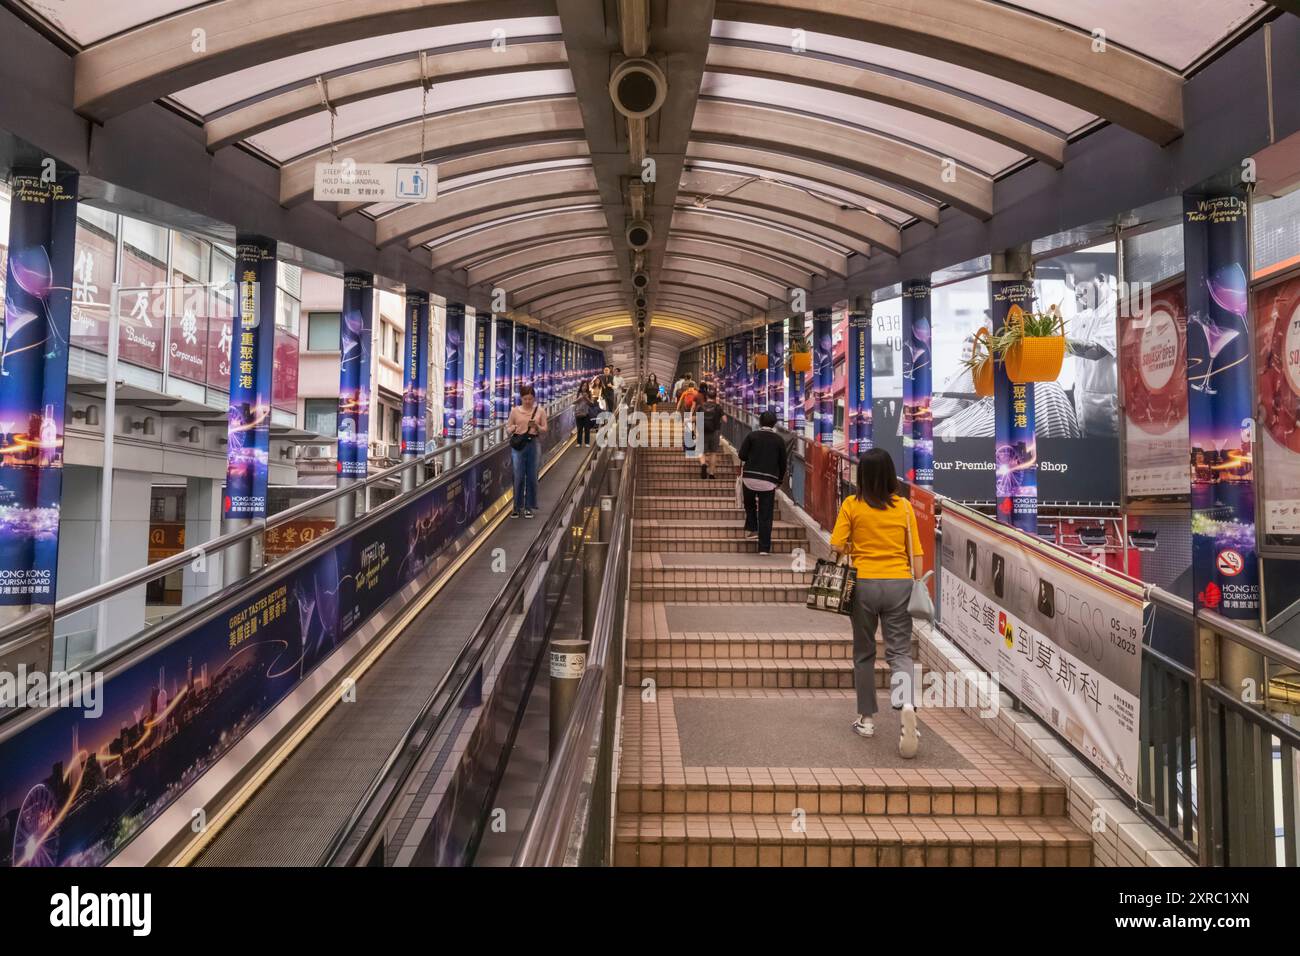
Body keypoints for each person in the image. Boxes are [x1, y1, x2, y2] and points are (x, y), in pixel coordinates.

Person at [829, 447, 922, 758]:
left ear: (863, 476)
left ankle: (867, 720)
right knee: (900, 651)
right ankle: (906, 704)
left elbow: (837, 545)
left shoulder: (852, 505)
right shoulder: (905, 508)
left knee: (865, 652)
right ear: (890, 474)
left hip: (864, 583)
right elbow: (916, 553)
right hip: (899, 583)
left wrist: (854, 542)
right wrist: (917, 585)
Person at [737, 410, 787, 555]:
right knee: (766, 514)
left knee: (750, 505)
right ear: (774, 424)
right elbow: (783, 463)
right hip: (768, 481)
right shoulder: (779, 440)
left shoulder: (752, 436)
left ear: (760, 422)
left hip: (749, 478)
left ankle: (752, 528)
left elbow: (742, 455)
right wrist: (779, 479)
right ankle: (764, 548)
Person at [506, 385, 548, 518]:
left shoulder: (540, 411)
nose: (528, 401)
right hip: (518, 445)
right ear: (521, 398)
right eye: (525, 399)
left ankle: (529, 506)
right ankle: (517, 507)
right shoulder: (514, 411)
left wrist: (536, 426)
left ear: (534, 398)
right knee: (518, 476)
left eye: (530, 399)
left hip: (534, 444)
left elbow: (545, 429)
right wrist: (514, 427)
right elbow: (508, 428)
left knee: (532, 476)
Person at [697, 385, 724, 480]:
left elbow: (697, 419)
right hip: (715, 432)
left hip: (702, 431)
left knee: (701, 451)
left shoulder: (701, 406)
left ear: (706, 397)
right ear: (715, 397)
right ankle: (711, 474)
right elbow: (725, 420)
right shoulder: (718, 407)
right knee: (713, 453)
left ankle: (703, 464)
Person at [574, 380, 594, 447]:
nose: (584, 387)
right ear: (581, 386)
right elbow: (573, 402)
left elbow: (592, 404)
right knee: (579, 429)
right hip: (578, 413)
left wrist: (586, 398)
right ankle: (579, 443)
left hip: (586, 413)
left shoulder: (589, 393)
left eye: (586, 386)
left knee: (587, 428)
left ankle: (587, 442)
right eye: (583, 385)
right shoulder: (578, 393)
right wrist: (579, 398)